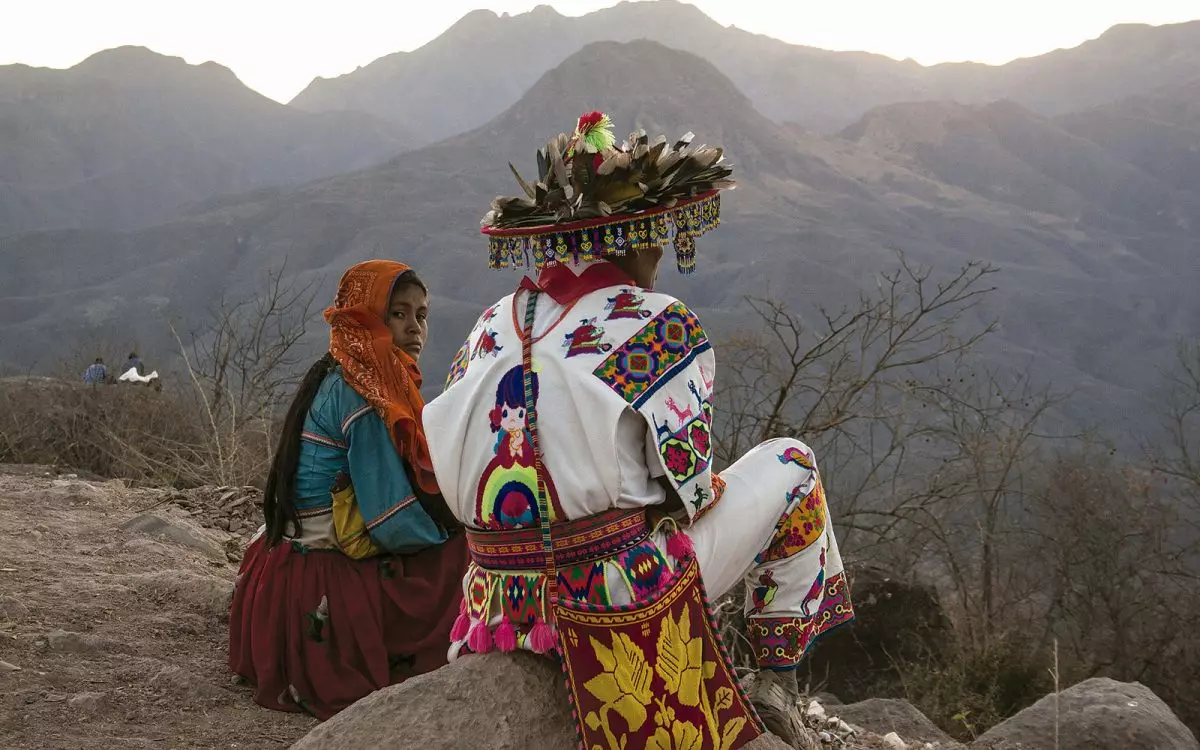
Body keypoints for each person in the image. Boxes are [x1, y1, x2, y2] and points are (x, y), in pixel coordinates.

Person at [424, 113, 855, 749]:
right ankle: (774, 686)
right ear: (635, 237)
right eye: (659, 235)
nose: (663, 251)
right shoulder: (657, 325)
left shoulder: (490, 323)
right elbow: (693, 492)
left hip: (497, 596)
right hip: (608, 591)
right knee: (791, 463)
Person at [228, 260, 467, 720]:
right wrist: (457, 526)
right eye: (398, 313)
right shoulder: (362, 392)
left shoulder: (341, 372)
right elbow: (392, 521)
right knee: (465, 551)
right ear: (367, 318)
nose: (415, 327)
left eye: (422, 314)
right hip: (320, 579)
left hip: (279, 571)